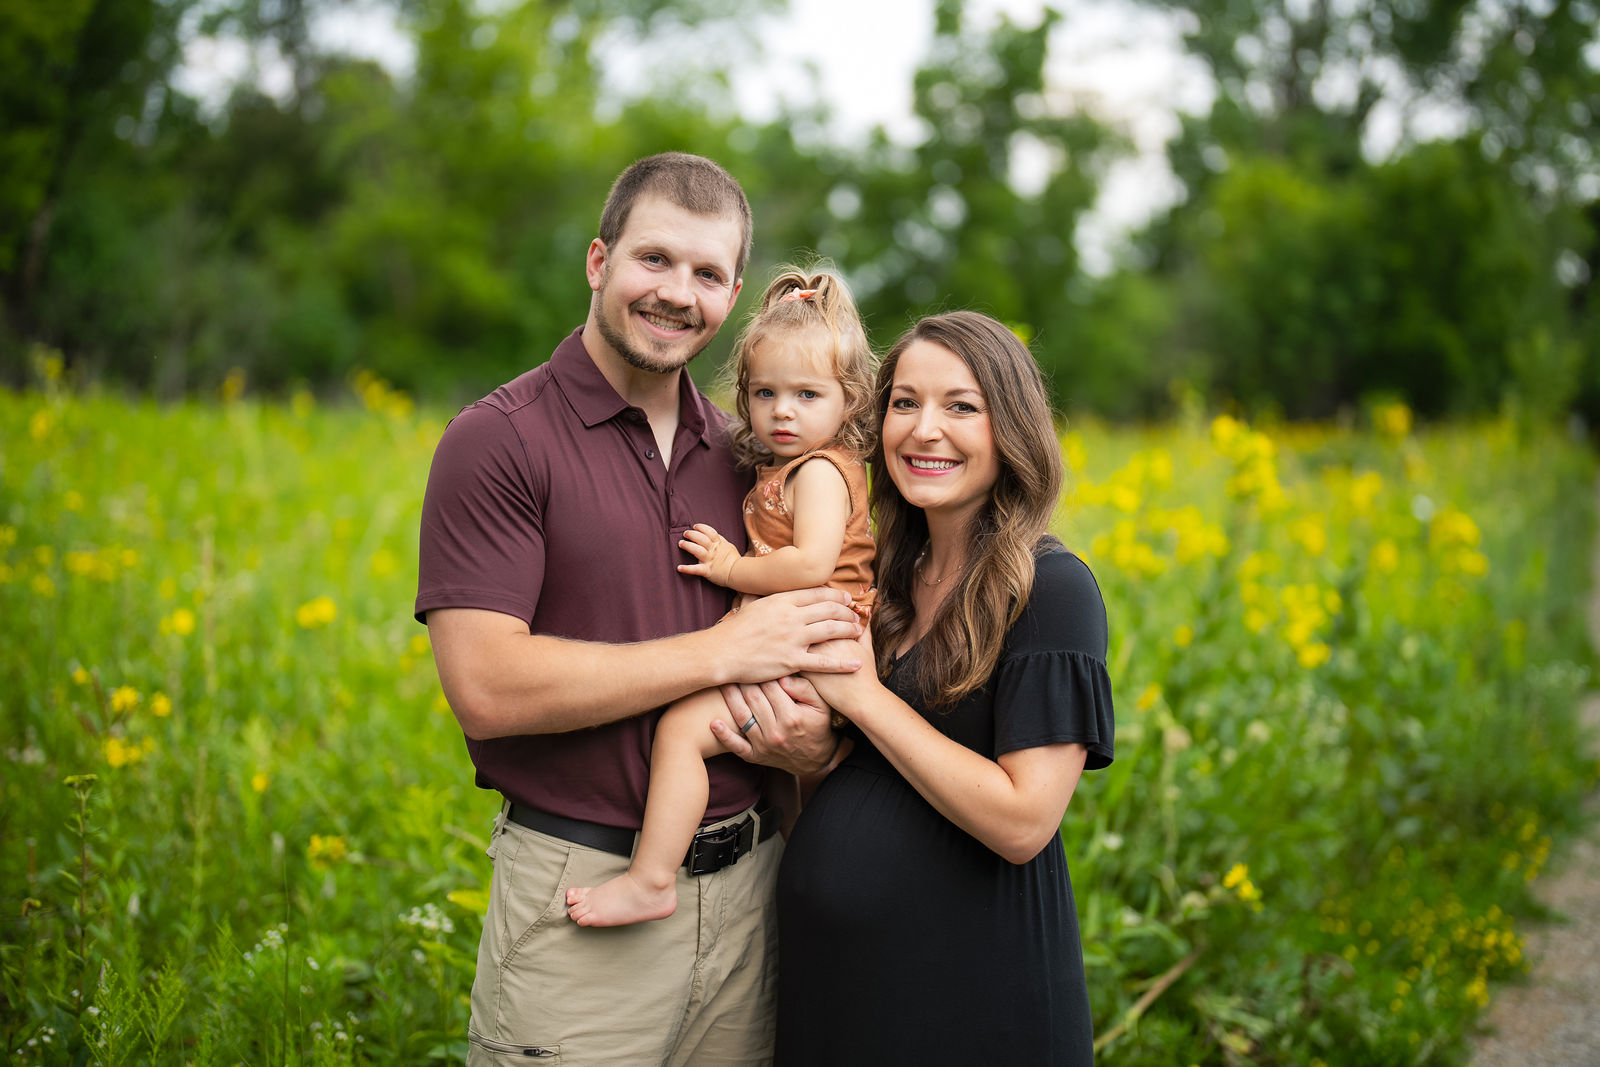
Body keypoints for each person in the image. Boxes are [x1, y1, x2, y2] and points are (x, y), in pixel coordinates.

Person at [415, 153, 862, 1066]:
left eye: (706, 274)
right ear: (597, 261)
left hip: (752, 894)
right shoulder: (498, 441)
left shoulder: (751, 454)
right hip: (586, 896)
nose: (676, 293)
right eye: (654, 260)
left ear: (734, 294)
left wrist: (813, 744)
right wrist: (721, 650)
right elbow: (488, 688)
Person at [720, 311, 1116, 1064]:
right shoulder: (883, 583)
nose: (924, 429)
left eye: (961, 406)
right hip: (841, 998)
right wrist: (811, 759)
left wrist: (865, 696)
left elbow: (1023, 820)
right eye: (904, 402)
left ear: (1014, 428)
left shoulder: (1051, 589)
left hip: (970, 1008)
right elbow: (866, 784)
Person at [566, 266, 878, 928]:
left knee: (681, 730)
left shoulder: (820, 472)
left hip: (815, 652)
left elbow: (812, 561)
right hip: (807, 651)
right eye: (764, 393)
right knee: (772, 773)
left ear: (849, 401)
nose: (782, 410)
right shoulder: (790, 467)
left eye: (806, 394)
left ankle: (651, 879)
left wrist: (732, 570)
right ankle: (807, 864)